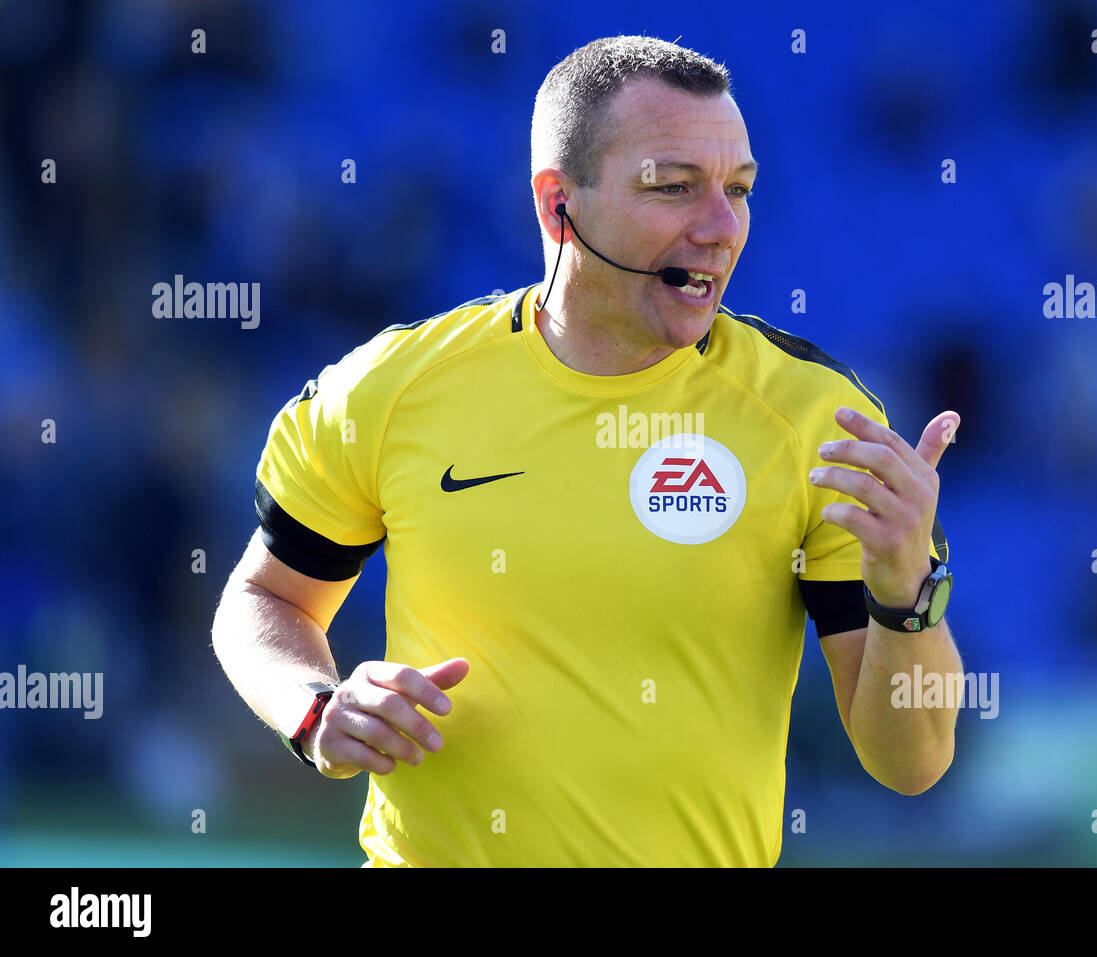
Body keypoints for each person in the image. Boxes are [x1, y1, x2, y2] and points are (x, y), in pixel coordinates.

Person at [212, 35, 964, 867]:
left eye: (739, 190)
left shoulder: (818, 419)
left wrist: (906, 593)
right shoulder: (392, 388)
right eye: (673, 187)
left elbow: (912, 763)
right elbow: (266, 598)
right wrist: (317, 711)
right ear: (557, 204)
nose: (722, 228)